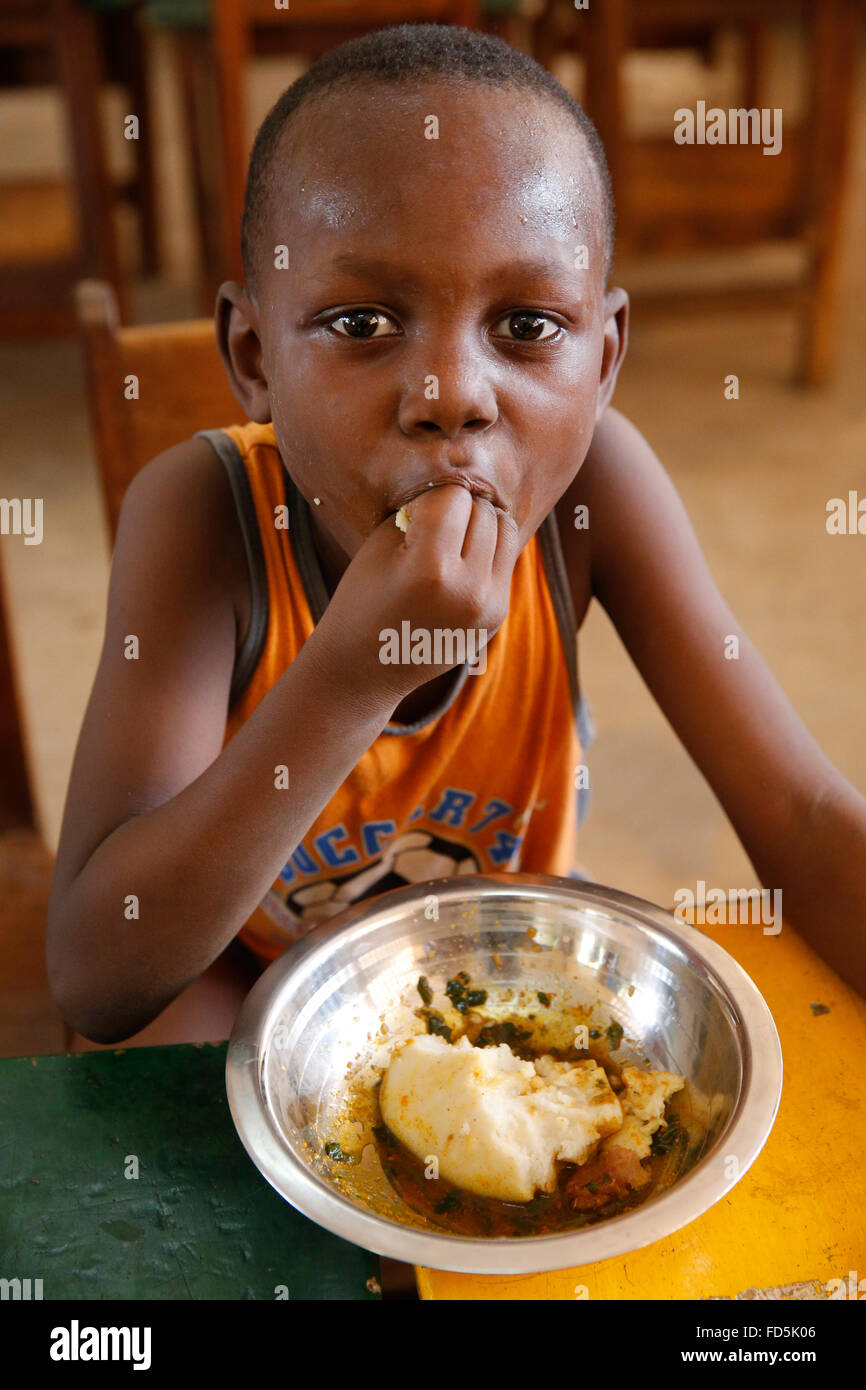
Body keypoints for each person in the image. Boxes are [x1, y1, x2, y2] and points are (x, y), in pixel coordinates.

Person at [46, 24, 866, 1048]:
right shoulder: (205, 516)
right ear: (253, 356)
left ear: (603, 358)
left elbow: (801, 822)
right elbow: (96, 969)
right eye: (359, 323)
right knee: (179, 1064)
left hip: (495, 977)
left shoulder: (593, 495)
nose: (451, 396)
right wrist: (353, 673)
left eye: (525, 326)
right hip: (240, 971)